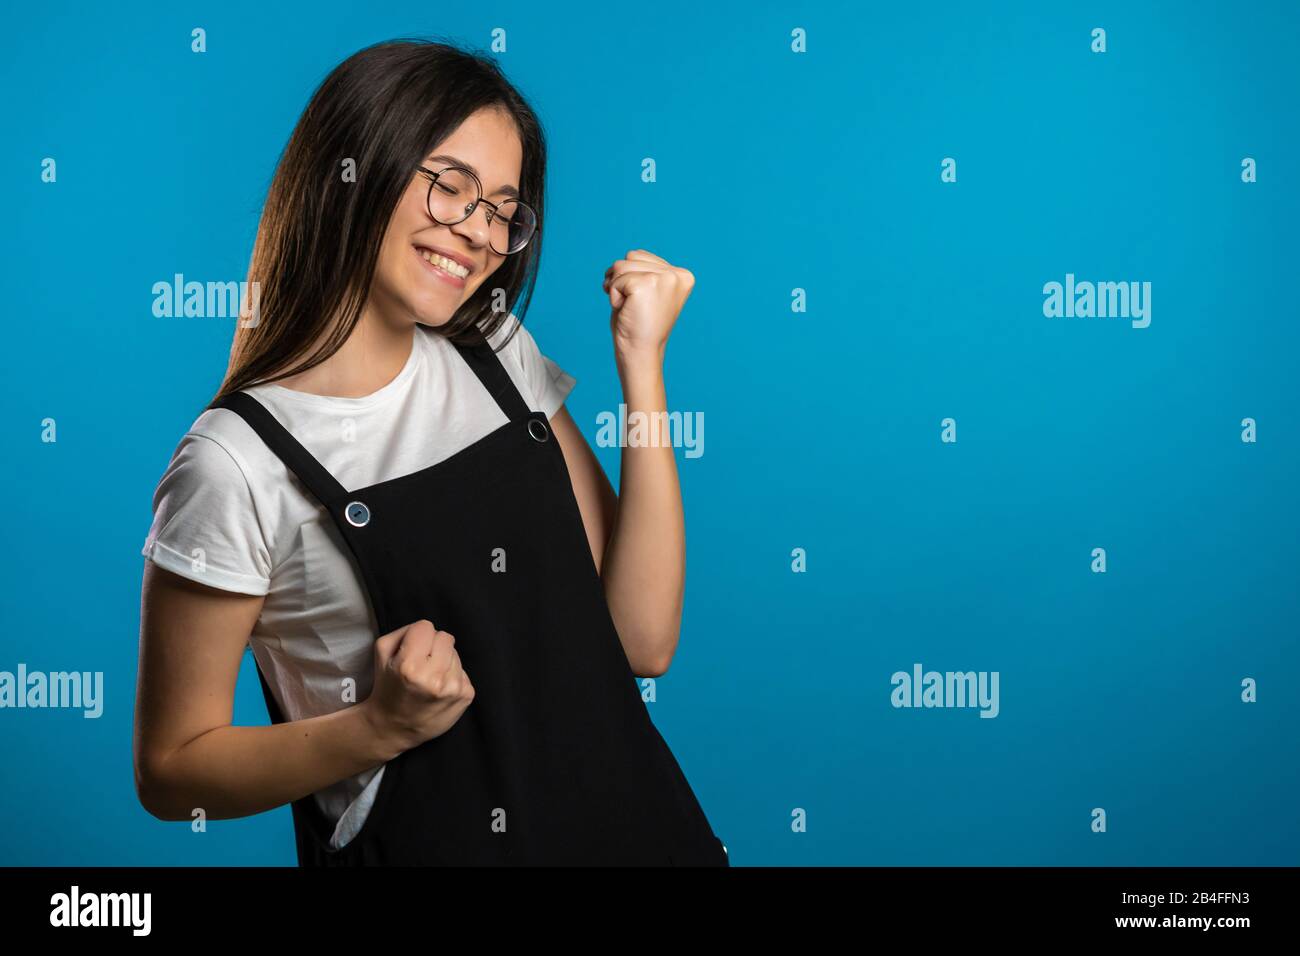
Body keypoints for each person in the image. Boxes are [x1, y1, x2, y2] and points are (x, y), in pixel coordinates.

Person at [133, 38, 728, 866]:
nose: (477, 232)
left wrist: (643, 368)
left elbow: (639, 640)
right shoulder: (235, 461)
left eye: (500, 210)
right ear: (356, 164)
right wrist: (376, 726)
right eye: (450, 186)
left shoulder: (493, 352)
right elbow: (171, 769)